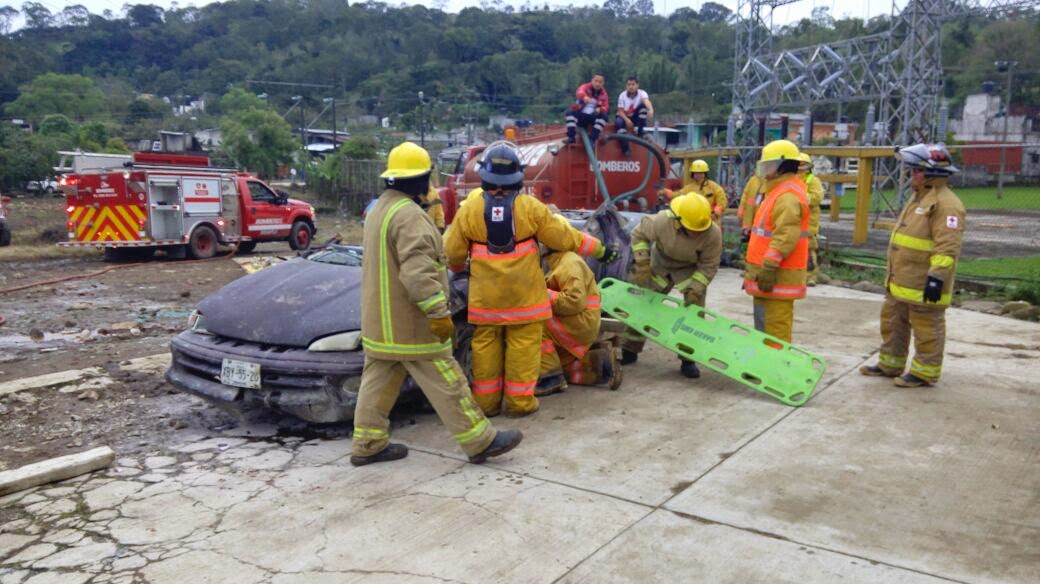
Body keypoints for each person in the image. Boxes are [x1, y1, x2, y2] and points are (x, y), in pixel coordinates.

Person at [351, 142, 521, 466]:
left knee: (377, 382)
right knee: (448, 380)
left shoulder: (379, 211)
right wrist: (439, 314)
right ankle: (480, 441)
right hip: (411, 326)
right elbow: (418, 275)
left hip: (379, 324)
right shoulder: (410, 217)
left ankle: (368, 443)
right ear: (421, 179)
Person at [444, 142, 619, 417]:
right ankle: (519, 404)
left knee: (485, 347)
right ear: (517, 177)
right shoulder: (531, 208)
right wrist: (600, 249)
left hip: (486, 303)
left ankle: (487, 405)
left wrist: (461, 264)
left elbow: (452, 253)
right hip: (524, 302)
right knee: (523, 349)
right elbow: (564, 238)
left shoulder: (469, 210)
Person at [860, 143, 965, 387]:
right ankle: (890, 364)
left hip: (923, 282)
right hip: (901, 280)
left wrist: (936, 278)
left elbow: (947, 247)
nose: (910, 174)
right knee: (893, 322)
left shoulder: (946, 204)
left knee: (927, 328)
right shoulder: (920, 198)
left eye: (915, 170)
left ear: (930, 174)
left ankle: (924, 372)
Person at [622, 193, 722, 378]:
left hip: (689, 270)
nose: (697, 233)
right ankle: (630, 349)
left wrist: (696, 288)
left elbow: (709, 264)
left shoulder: (712, 234)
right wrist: (643, 262)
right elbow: (638, 235)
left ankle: (688, 359)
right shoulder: (660, 221)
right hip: (660, 264)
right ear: (679, 220)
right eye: (693, 230)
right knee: (641, 305)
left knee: (694, 315)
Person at [536, 218, 622, 395]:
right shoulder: (559, 261)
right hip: (577, 322)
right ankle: (602, 362)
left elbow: (573, 302)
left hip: (579, 323)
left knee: (532, 326)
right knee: (560, 360)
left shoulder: (569, 264)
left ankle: (550, 378)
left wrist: (540, 293)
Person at [743, 139, 810, 343]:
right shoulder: (777, 191)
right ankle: (765, 368)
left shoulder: (787, 195)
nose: (765, 170)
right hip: (768, 279)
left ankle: (775, 372)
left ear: (781, 167)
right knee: (764, 328)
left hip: (777, 277)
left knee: (775, 332)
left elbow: (785, 236)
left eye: (768, 165)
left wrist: (769, 266)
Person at [673, 159, 728, 225]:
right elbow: (677, 195)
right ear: (692, 174)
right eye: (696, 173)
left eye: (701, 173)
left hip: (712, 222)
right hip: (694, 221)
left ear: (705, 174)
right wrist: (665, 192)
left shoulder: (714, 187)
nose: (698, 175)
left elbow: (722, 202)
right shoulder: (688, 188)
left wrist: (715, 214)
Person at [564, 74, 609, 145]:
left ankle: (593, 139)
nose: (597, 84)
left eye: (600, 82)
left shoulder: (604, 94)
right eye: (596, 81)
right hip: (581, 115)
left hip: (593, 117)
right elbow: (579, 91)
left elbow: (606, 107)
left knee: (605, 116)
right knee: (569, 113)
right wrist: (584, 97)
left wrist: (600, 109)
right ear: (592, 81)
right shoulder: (585, 87)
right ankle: (571, 137)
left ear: (603, 83)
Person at [615, 77, 654, 155]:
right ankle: (625, 148)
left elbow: (646, 101)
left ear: (637, 85)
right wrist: (627, 120)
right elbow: (620, 111)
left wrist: (651, 110)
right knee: (618, 123)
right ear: (626, 86)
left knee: (643, 108)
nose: (631, 87)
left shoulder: (642, 93)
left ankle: (639, 132)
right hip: (624, 117)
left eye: (633, 84)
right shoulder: (622, 95)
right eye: (629, 84)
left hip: (636, 118)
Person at [737, 174, 765, 240]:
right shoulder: (753, 180)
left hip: (761, 223)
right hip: (749, 221)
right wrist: (740, 214)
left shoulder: (772, 182)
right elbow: (744, 197)